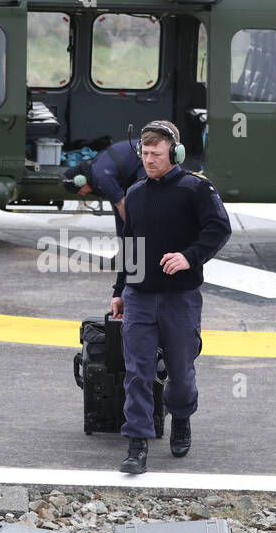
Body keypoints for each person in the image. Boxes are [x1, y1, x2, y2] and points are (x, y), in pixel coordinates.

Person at [110, 120, 231, 474]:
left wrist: (189, 257)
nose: (149, 160)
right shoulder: (134, 194)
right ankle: (137, 443)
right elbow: (129, 247)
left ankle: (180, 417)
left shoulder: (196, 189)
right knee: (137, 372)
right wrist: (119, 291)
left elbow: (219, 228)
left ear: (174, 154)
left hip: (181, 298)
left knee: (180, 370)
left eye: (156, 154)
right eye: (145, 154)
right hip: (139, 297)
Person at [60, 136, 144, 239]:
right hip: (136, 162)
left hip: (146, 158)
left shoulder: (102, 177)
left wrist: (134, 231)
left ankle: (143, 245)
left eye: (79, 191)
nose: (82, 194)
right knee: (120, 209)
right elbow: (117, 205)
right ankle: (125, 251)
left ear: (81, 180)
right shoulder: (96, 169)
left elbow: (122, 206)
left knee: (140, 204)